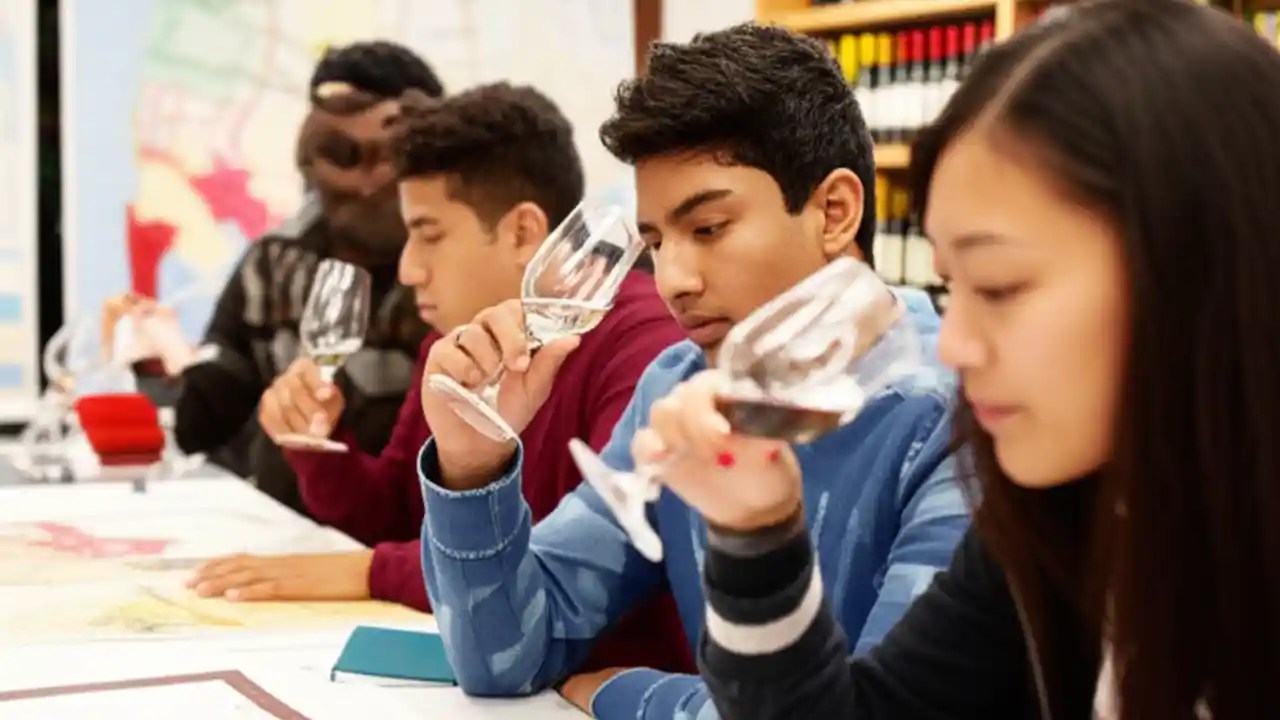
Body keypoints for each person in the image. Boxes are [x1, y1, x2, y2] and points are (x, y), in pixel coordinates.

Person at [692, 3, 1280, 719]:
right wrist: (757, 534)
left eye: (1000, 286)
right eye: (950, 286)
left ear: (1199, 267)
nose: (953, 343)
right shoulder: (1057, 513)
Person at [414, 24, 967, 719]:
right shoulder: (678, 386)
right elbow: (504, 657)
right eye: (654, 241)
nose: (672, 279)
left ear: (834, 211)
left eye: (707, 229)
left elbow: (873, 710)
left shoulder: (953, 416)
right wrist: (474, 467)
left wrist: (621, 691)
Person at [187, 82, 695, 673]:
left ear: (523, 233)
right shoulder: (458, 342)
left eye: (428, 234)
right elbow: (400, 515)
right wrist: (319, 447)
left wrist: (368, 570)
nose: (407, 269)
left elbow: (564, 569)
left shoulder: (646, 341)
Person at [100, 42, 442, 511]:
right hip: (284, 531)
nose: (366, 183)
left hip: (407, 536)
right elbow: (204, 421)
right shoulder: (275, 263)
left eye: (389, 157)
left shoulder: (450, 272)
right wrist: (161, 361)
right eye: (342, 154)